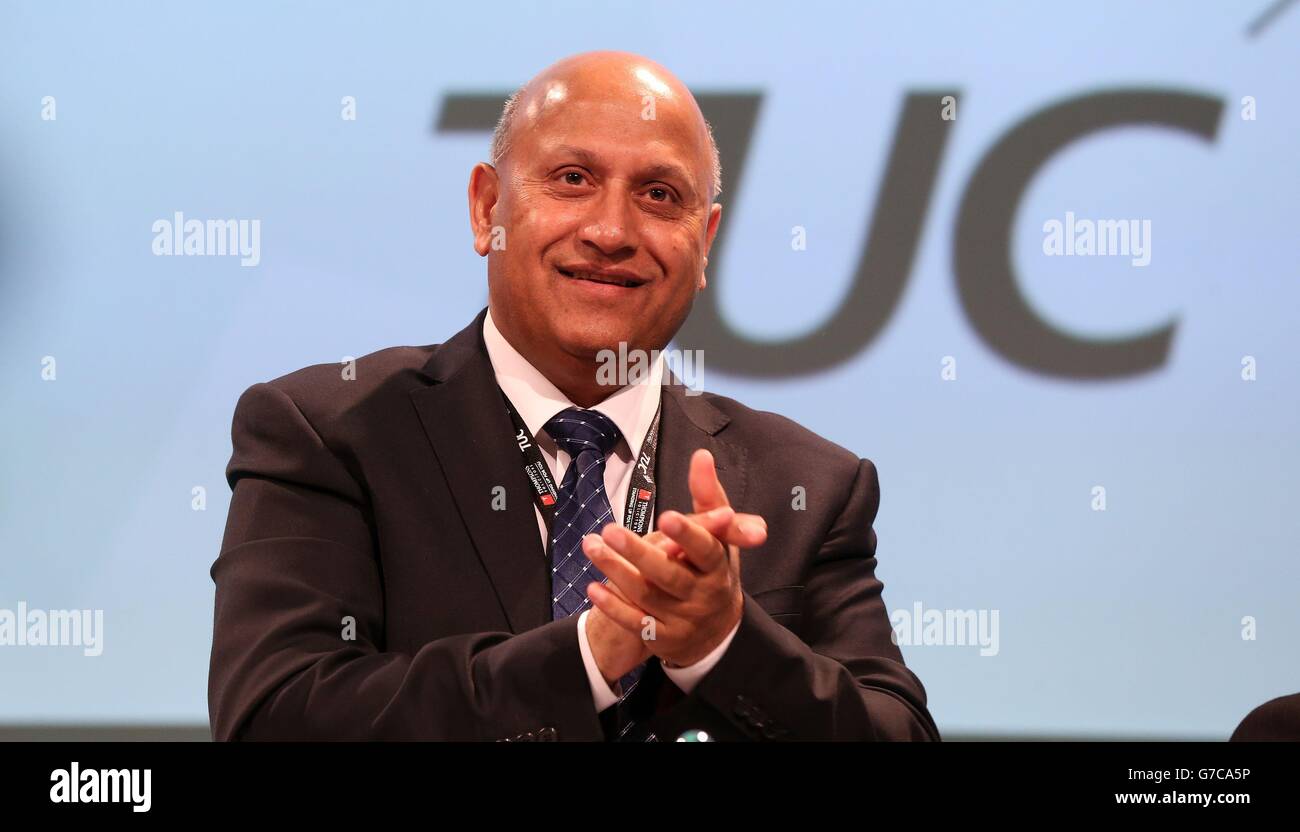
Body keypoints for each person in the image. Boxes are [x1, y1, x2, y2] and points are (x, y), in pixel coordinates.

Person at [207, 50, 939, 742]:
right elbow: (275, 715)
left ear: (705, 241)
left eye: (659, 195)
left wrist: (725, 642)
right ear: (485, 207)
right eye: (571, 179)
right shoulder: (330, 435)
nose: (612, 230)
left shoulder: (806, 486)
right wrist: (591, 653)